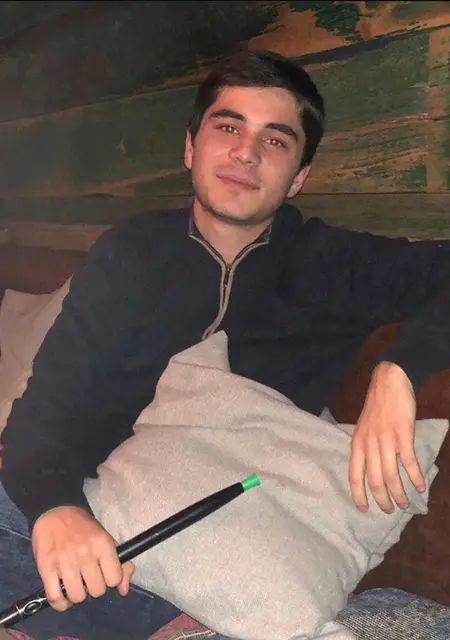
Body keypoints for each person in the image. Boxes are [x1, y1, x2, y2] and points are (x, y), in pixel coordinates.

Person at [1, 49, 450, 639]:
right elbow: (43, 409)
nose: (247, 153)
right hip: (77, 516)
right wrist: (57, 508)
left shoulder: (331, 263)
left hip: (214, 558)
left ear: (299, 177)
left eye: (276, 140)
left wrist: (398, 371)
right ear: (191, 148)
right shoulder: (130, 252)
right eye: (229, 127)